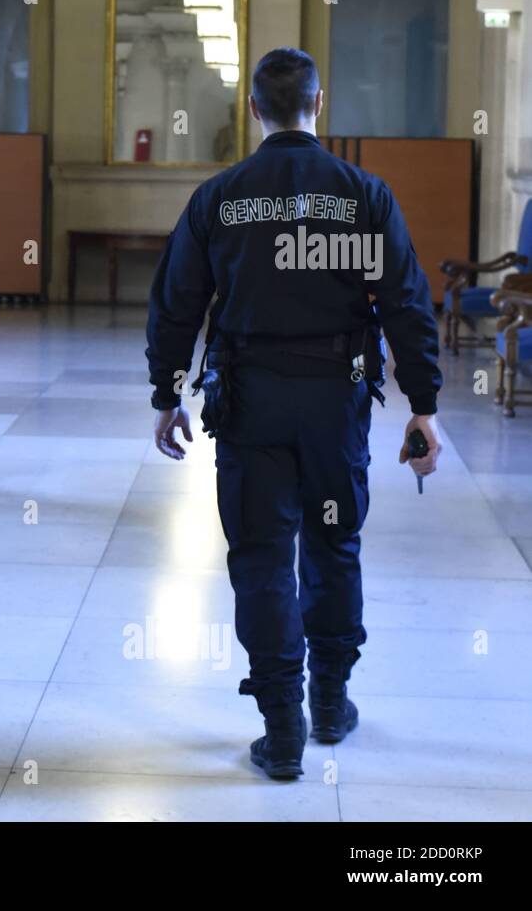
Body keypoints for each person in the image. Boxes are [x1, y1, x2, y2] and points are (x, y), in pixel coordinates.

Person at [145, 48, 443, 781]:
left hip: (249, 403)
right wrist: (425, 406)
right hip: (334, 402)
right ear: (320, 102)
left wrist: (166, 392)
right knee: (334, 546)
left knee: (261, 556)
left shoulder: (221, 195)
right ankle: (332, 703)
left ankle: (282, 729)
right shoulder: (363, 195)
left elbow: (177, 301)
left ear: (254, 109)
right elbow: (406, 300)